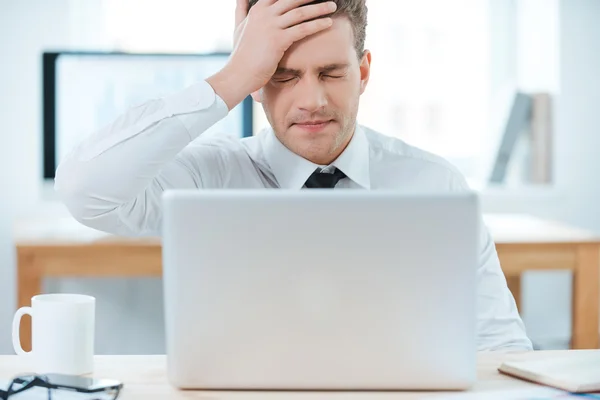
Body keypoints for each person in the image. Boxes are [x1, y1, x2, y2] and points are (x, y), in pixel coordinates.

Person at [55, 0, 533, 352]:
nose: (312, 101)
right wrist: (233, 77)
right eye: (283, 76)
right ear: (257, 84)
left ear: (363, 72)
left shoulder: (436, 186)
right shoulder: (207, 179)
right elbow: (84, 191)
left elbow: (501, 343)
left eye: (331, 73)